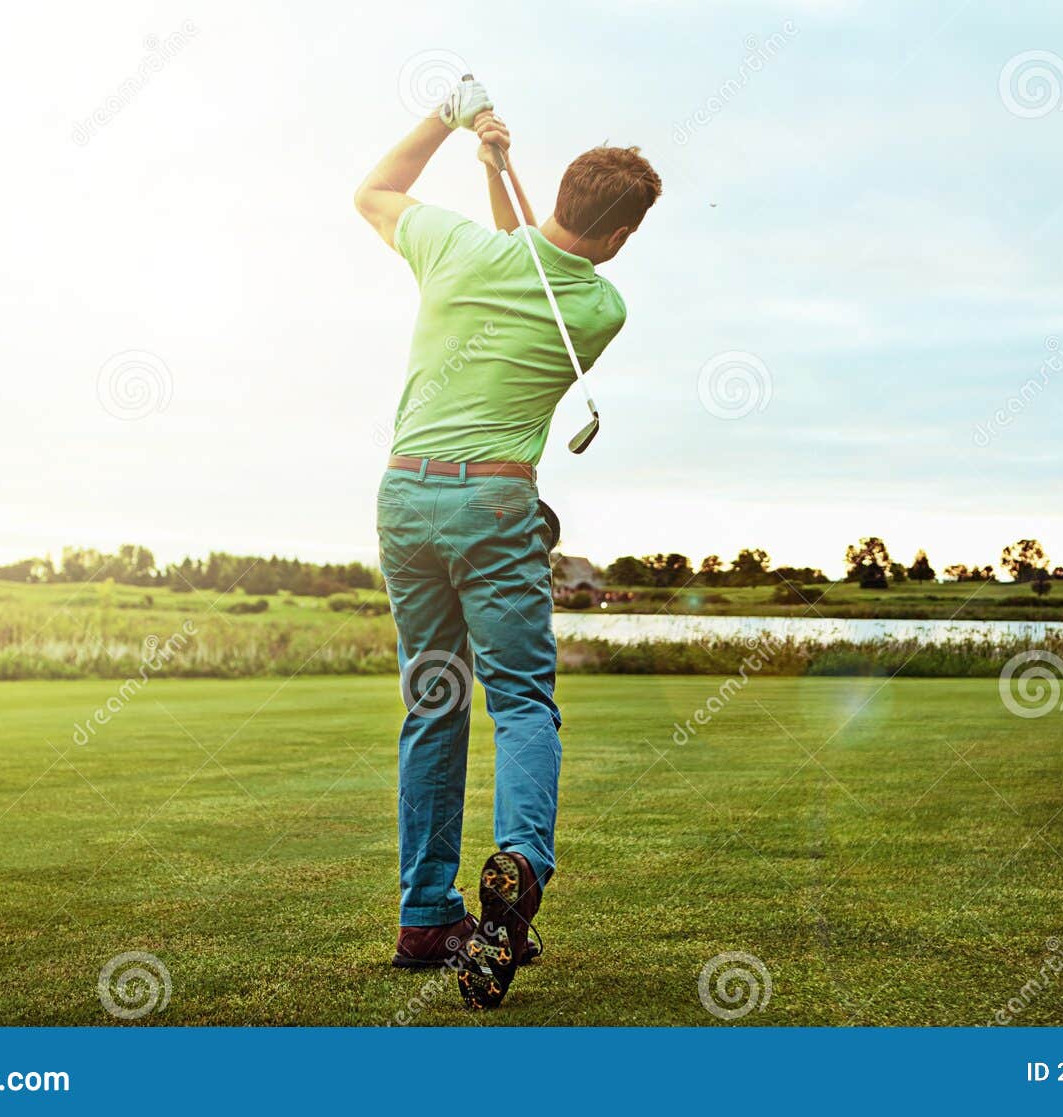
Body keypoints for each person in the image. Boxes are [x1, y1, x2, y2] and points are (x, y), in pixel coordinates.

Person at [353, 77, 660, 1008]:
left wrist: (451, 126)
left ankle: (424, 916)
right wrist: (499, 173)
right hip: (494, 505)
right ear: (618, 238)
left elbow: (372, 192)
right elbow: (547, 266)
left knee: (432, 701)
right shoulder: (600, 311)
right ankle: (520, 867)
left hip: (405, 495)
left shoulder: (453, 247)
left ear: (559, 192)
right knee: (521, 700)